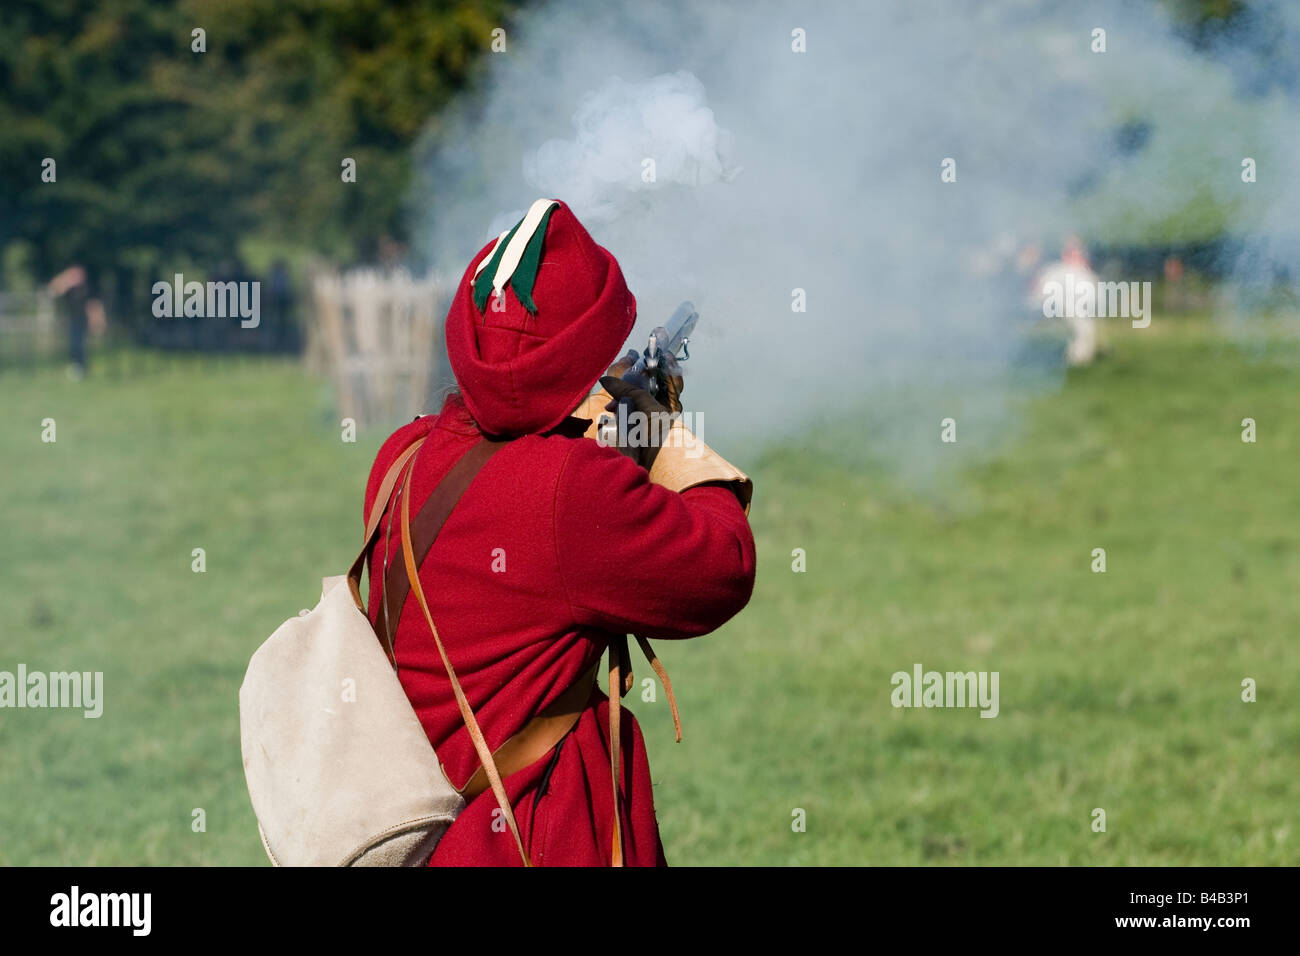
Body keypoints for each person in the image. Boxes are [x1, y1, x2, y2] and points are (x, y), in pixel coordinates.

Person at [362, 199, 755, 866]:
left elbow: (509, 491)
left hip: (412, 834)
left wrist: (599, 437)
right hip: (536, 834)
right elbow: (725, 564)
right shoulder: (574, 490)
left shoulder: (400, 456)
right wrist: (659, 436)